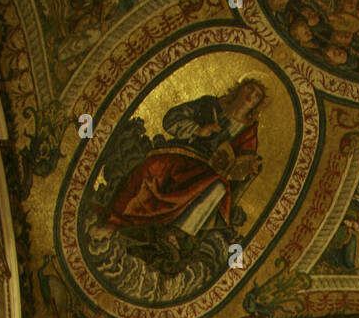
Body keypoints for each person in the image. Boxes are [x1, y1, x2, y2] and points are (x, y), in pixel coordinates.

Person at [104, 78, 266, 237]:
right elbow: (171, 118)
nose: (251, 95)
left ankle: (177, 235)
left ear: (257, 104)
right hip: (181, 152)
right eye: (249, 88)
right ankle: (114, 221)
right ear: (239, 88)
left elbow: (244, 159)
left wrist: (250, 165)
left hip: (208, 171)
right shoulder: (209, 104)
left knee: (218, 187)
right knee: (151, 168)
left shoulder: (248, 130)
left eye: (257, 95)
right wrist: (197, 129)